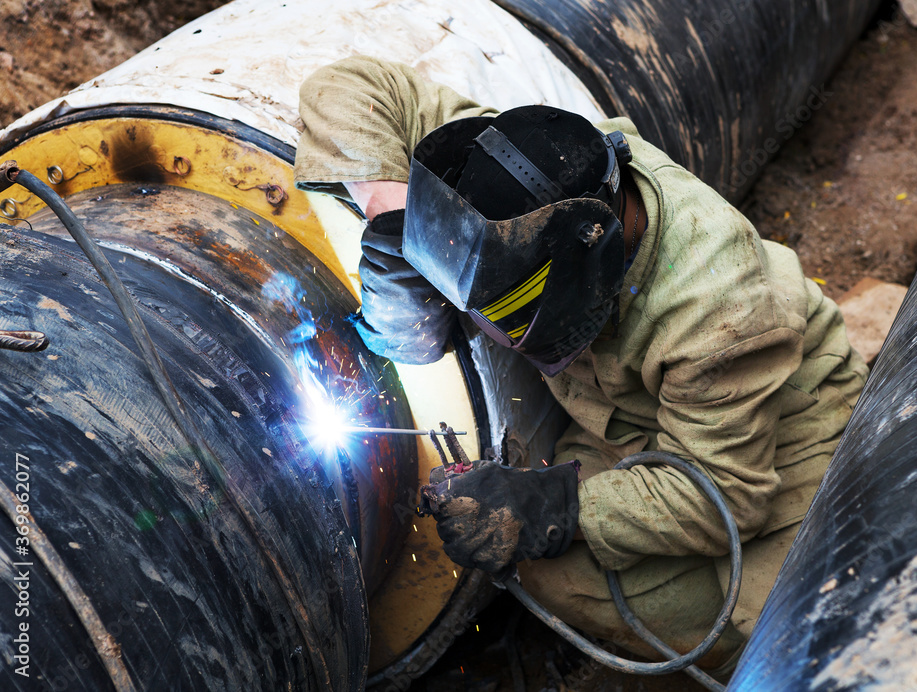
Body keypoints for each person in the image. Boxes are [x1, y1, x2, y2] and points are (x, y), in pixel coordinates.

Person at [294, 55, 869, 674]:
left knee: (787, 628)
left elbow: (722, 496)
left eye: (509, 320)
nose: (490, 336)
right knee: (546, 566)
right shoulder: (519, 168)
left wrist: (549, 507)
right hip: (627, 418)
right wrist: (397, 219)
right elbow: (347, 85)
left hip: (774, 441)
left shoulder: (717, 310)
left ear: (586, 274)